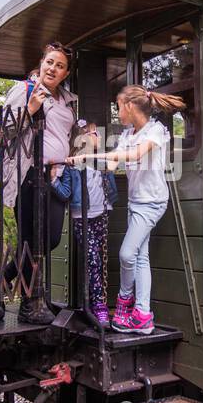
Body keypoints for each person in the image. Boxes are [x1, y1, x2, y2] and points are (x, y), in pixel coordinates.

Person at [66, 84, 185, 335]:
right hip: (136, 202)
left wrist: (85, 158)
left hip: (152, 203)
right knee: (141, 258)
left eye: (118, 106)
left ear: (129, 106)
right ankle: (143, 315)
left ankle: (124, 301)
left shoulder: (156, 131)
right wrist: (84, 155)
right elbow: (113, 162)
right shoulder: (127, 135)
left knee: (127, 254)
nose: (117, 112)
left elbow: (133, 156)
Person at [0, 42, 76, 324]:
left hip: (57, 177)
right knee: (30, 241)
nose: (53, 68)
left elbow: (64, 136)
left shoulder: (68, 100)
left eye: (60, 66)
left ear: (65, 73)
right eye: (50, 62)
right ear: (41, 63)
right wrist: (31, 108)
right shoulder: (25, 90)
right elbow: (5, 130)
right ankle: (29, 303)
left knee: (49, 240)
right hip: (29, 175)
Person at [53, 121, 118, 325]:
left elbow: (111, 184)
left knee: (98, 259)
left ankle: (93, 301)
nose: (98, 136)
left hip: (101, 214)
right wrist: (54, 180)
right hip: (82, 217)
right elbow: (65, 193)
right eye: (94, 133)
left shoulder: (101, 161)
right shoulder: (72, 165)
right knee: (93, 260)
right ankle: (98, 306)